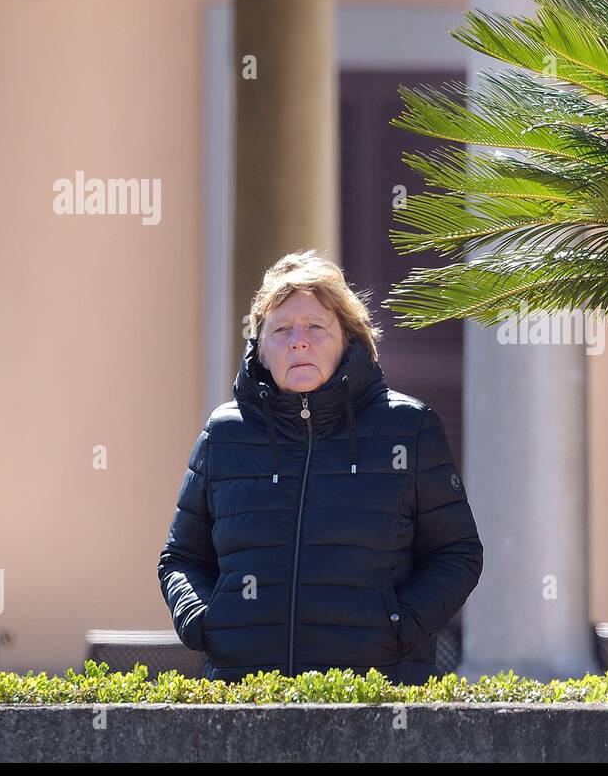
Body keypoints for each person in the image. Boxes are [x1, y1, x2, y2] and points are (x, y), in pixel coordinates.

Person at [157, 249, 483, 684]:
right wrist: (205, 622)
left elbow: (456, 552)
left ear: (348, 339)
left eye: (315, 326)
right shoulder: (223, 436)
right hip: (245, 696)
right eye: (282, 330)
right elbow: (182, 557)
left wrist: (400, 624)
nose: (298, 341)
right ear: (260, 349)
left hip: (375, 694)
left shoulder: (409, 427)